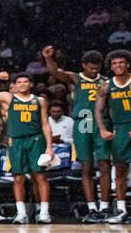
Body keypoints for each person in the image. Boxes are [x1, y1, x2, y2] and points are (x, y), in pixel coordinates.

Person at [0, 62, 54, 224]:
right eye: (19, 82)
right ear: (15, 85)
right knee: (17, 177)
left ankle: (44, 213)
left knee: (40, 176)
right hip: (16, 141)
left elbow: (45, 124)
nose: (22, 84)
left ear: (31, 84)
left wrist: (49, 147)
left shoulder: (39, 101)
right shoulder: (7, 98)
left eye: (25, 81)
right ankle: (21, 213)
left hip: (36, 140)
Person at [43, 46, 108, 222]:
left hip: (100, 122)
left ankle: (105, 206)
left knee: (104, 164)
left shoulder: (105, 81)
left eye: (97, 68)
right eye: (91, 67)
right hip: (82, 122)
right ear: (84, 65)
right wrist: (49, 58)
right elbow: (55, 72)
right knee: (86, 166)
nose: (94, 71)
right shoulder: (76, 78)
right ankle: (92, 207)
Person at [96, 48, 131, 224]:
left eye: (121, 62)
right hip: (120, 128)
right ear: (110, 67)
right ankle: (121, 210)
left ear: (128, 63)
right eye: (114, 63)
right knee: (120, 169)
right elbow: (98, 110)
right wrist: (103, 129)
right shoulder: (106, 85)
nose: (118, 65)